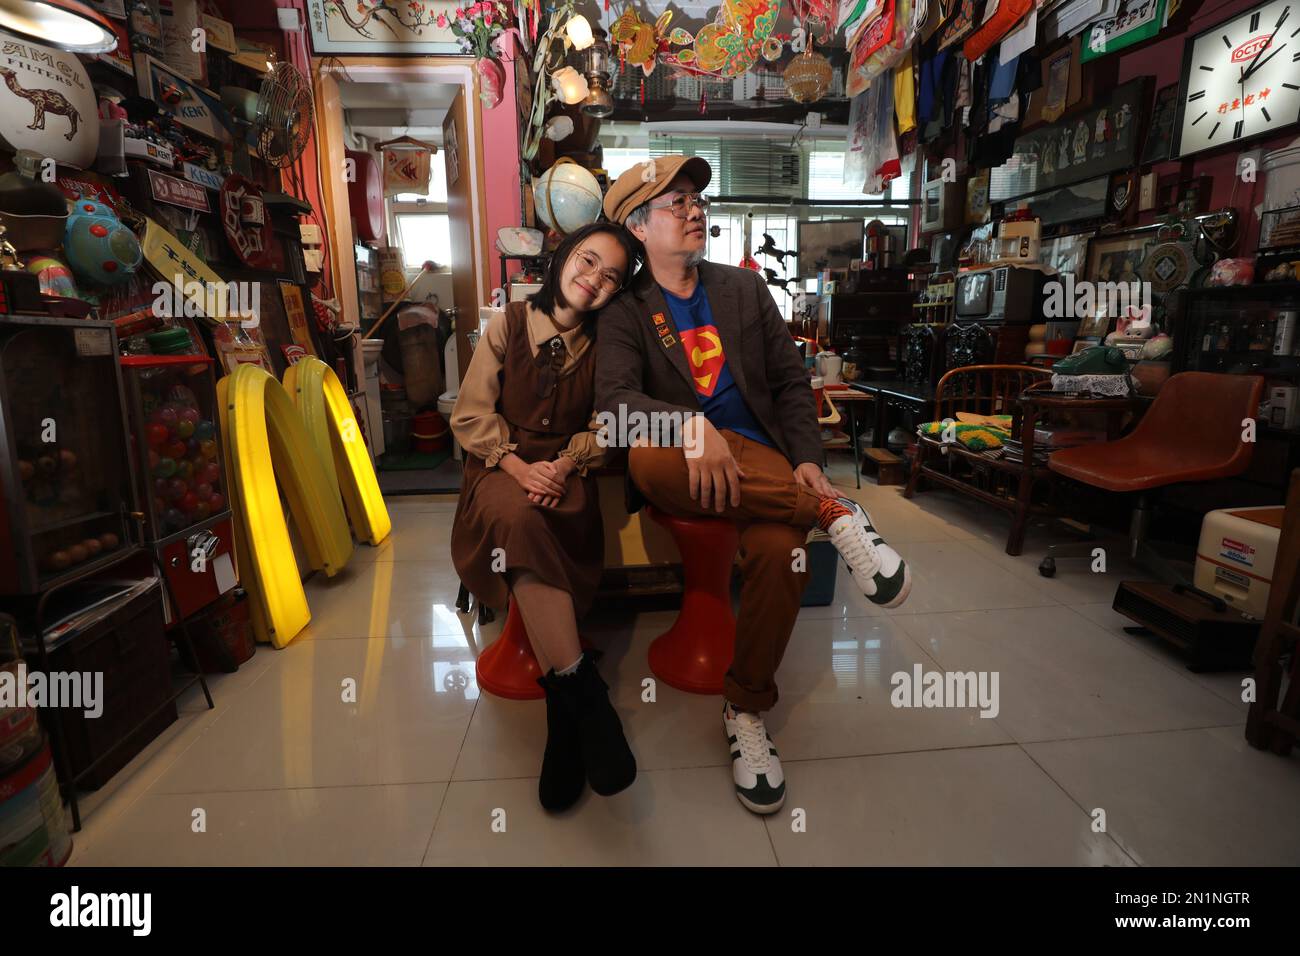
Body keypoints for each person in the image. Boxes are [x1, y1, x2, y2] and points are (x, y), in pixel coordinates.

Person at [595, 156, 911, 815]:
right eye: (674, 203)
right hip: (681, 468)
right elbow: (614, 407)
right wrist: (691, 426)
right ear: (637, 227)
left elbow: (793, 382)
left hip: (764, 469)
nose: (693, 210)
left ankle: (744, 709)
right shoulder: (626, 311)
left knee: (781, 555)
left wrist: (806, 457)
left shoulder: (741, 290)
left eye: (695, 199)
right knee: (648, 460)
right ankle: (836, 514)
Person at [450, 222, 640, 813]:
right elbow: (470, 415)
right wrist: (517, 467)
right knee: (520, 520)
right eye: (587, 261)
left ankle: (567, 711)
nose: (594, 280)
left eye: (611, 276)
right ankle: (586, 693)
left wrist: (565, 463)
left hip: (567, 474)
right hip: (498, 470)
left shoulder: (609, 342)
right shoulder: (507, 324)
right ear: (561, 259)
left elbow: (614, 423)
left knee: (543, 516)